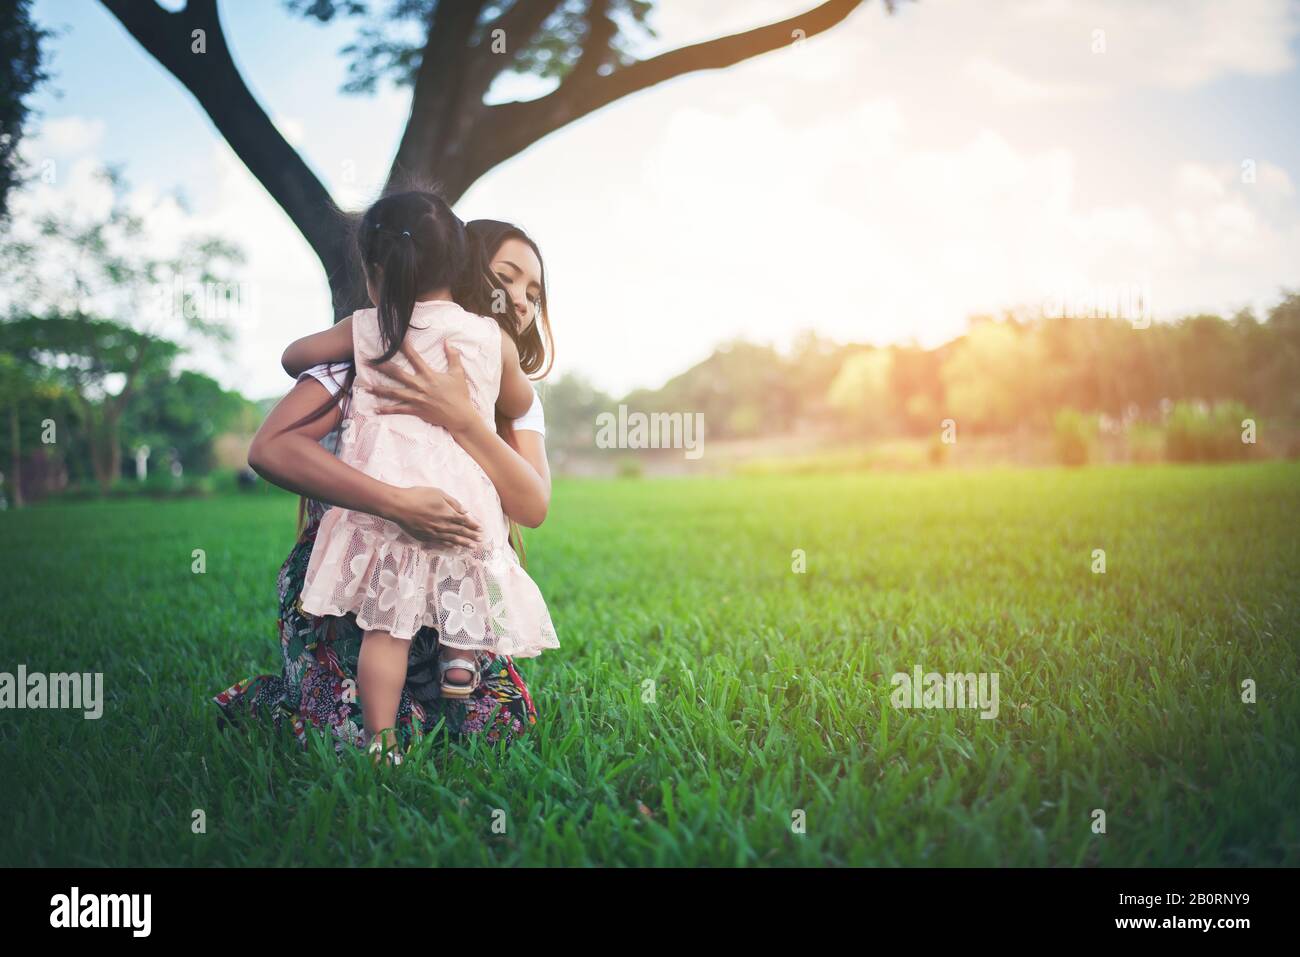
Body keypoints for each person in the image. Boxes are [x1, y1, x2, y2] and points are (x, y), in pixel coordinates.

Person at [213, 212, 557, 765]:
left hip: (453, 583)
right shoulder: (368, 350)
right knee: (360, 735)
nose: (520, 300)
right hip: (358, 574)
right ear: (461, 268)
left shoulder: (503, 374)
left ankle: (438, 674)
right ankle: (282, 699)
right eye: (509, 277)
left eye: (534, 291)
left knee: (497, 729)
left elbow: (533, 506)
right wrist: (397, 504)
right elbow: (270, 449)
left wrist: (464, 419)